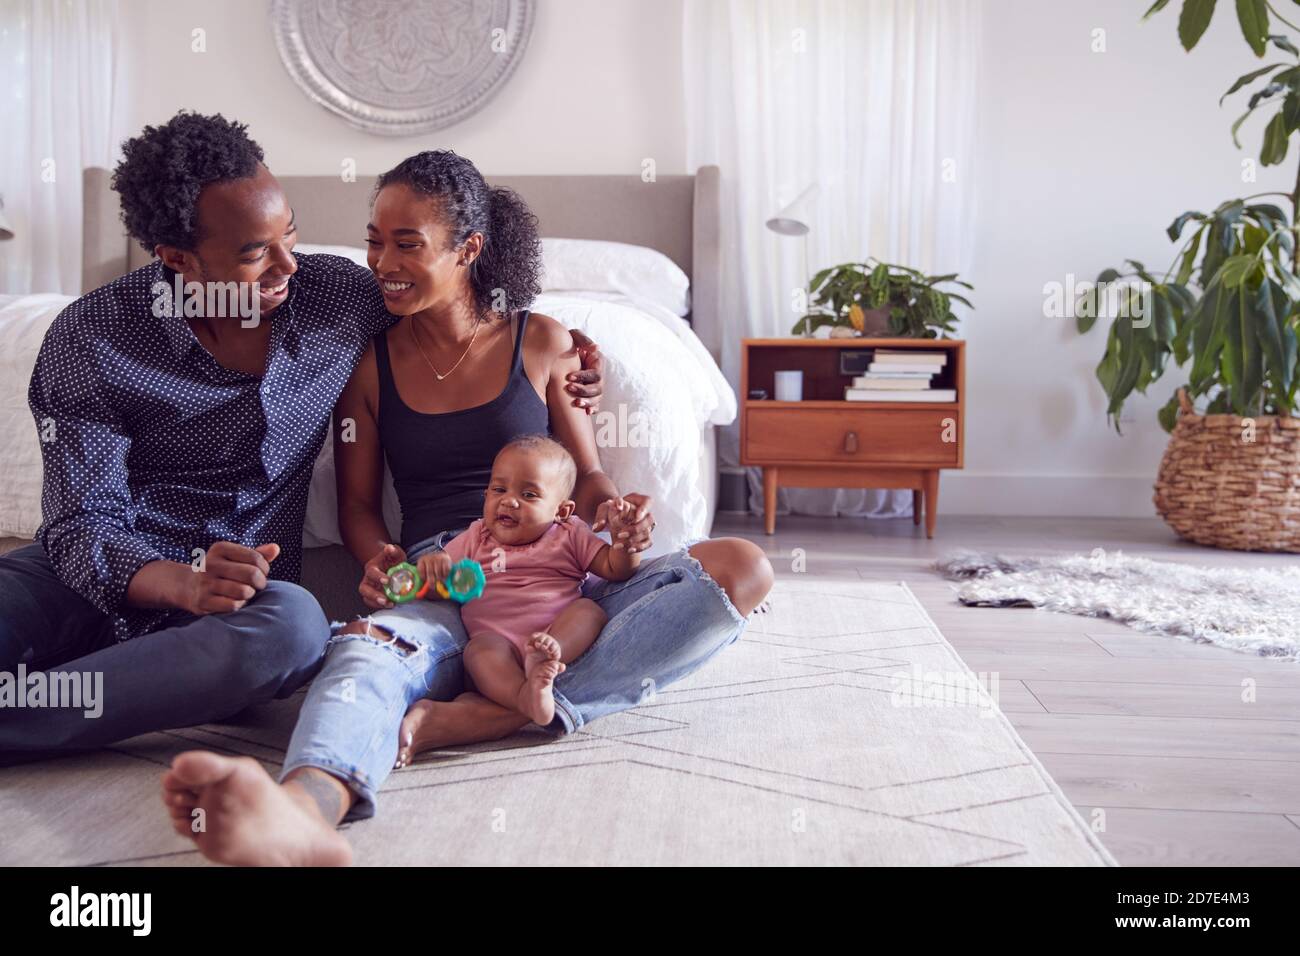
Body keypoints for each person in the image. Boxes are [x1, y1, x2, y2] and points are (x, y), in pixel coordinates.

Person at [161, 149, 775, 866]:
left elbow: (589, 480)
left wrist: (617, 517)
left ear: (470, 248)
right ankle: (302, 809)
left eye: (406, 243)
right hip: (448, 578)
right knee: (366, 652)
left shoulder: (542, 341)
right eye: (373, 240)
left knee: (742, 569)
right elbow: (358, 506)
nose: (381, 261)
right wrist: (378, 558)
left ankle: (480, 716)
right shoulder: (370, 365)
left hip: (569, 571)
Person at [0, 112, 603, 760]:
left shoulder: (335, 295)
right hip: (92, 576)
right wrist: (179, 579)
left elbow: (452, 307)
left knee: (294, 631)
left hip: (237, 610)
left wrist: (576, 350)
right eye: (256, 253)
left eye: (290, 235)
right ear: (176, 258)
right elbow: (78, 527)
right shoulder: (91, 335)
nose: (290, 267)